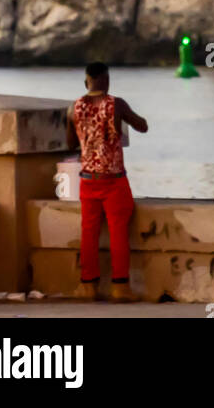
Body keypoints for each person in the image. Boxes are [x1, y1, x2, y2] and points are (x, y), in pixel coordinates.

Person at [66, 61, 148, 302]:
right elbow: (142, 126)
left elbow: (70, 143)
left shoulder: (74, 108)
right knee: (118, 231)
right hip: (113, 181)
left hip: (88, 180)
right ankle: (120, 286)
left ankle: (88, 285)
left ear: (86, 82)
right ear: (107, 80)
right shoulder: (116, 104)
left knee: (88, 232)